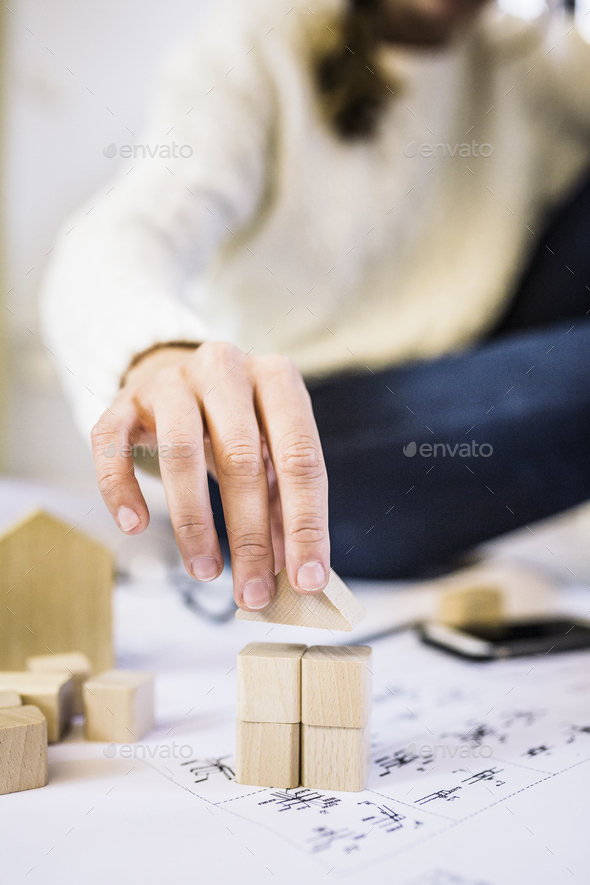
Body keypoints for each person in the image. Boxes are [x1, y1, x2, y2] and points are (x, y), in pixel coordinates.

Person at [41, 0, 590, 613]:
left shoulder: (534, 60)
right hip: (293, 452)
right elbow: (124, 234)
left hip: (474, 371)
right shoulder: (262, 41)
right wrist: (156, 353)